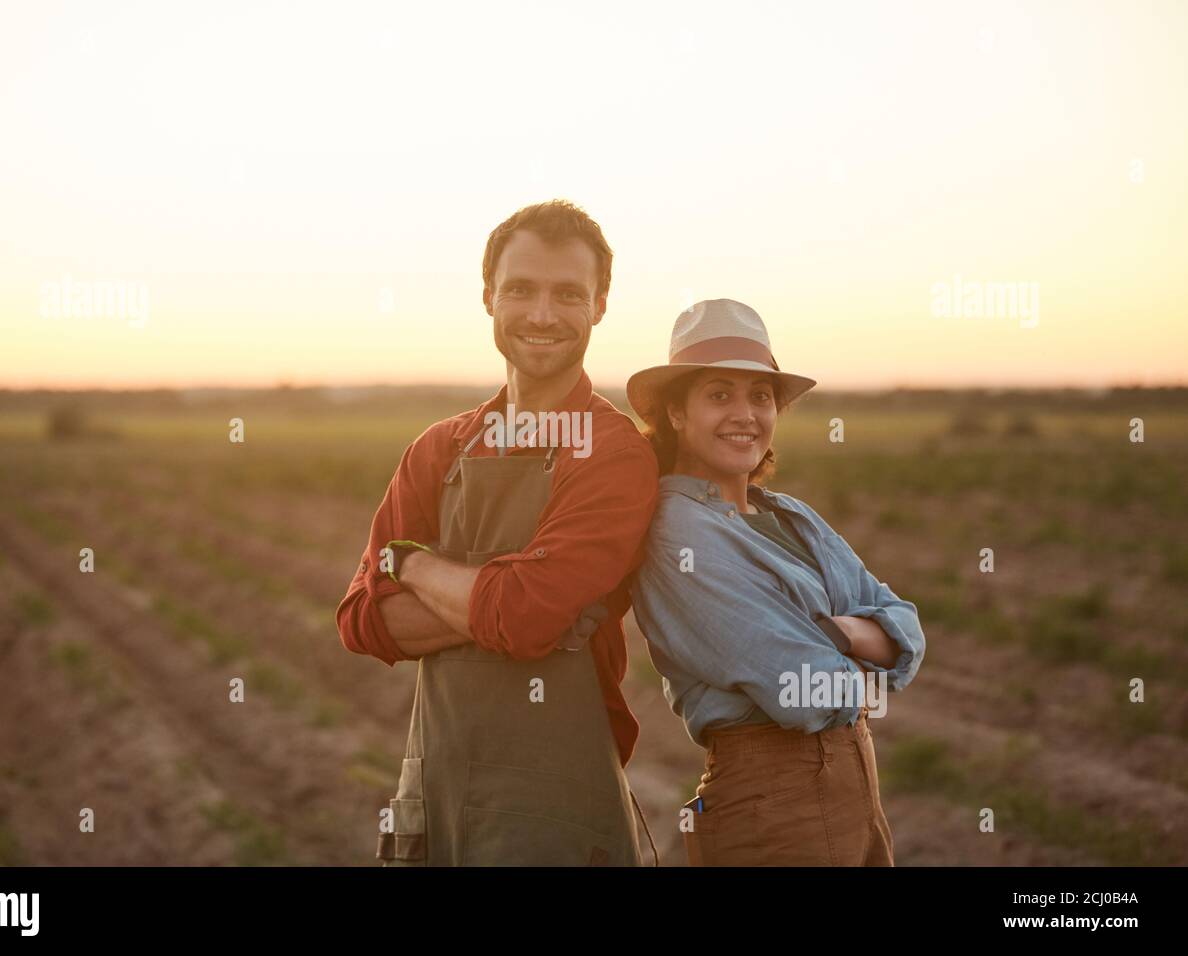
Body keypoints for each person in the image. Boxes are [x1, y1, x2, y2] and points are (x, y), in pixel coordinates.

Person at [336, 199, 660, 866]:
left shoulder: (612, 452)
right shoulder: (437, 449)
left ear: (599, 305)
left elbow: (526, 614)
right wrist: (518, 606)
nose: (542, 315)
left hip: (556, 817)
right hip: (433, 802)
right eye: (521, 289)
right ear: (488, 297)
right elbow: (362, 623)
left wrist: (413, 567)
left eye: (567, 293)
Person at [627, 298, 926, 866]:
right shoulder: (676, 530)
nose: (745, 414)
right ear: (675, 414)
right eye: (719, 394)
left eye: (760, 396)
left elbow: (906, 629)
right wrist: (864, 645)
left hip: (855, 785)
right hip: (770, 803)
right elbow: (801, 689)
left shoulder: (790, 514)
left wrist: (831, 636)